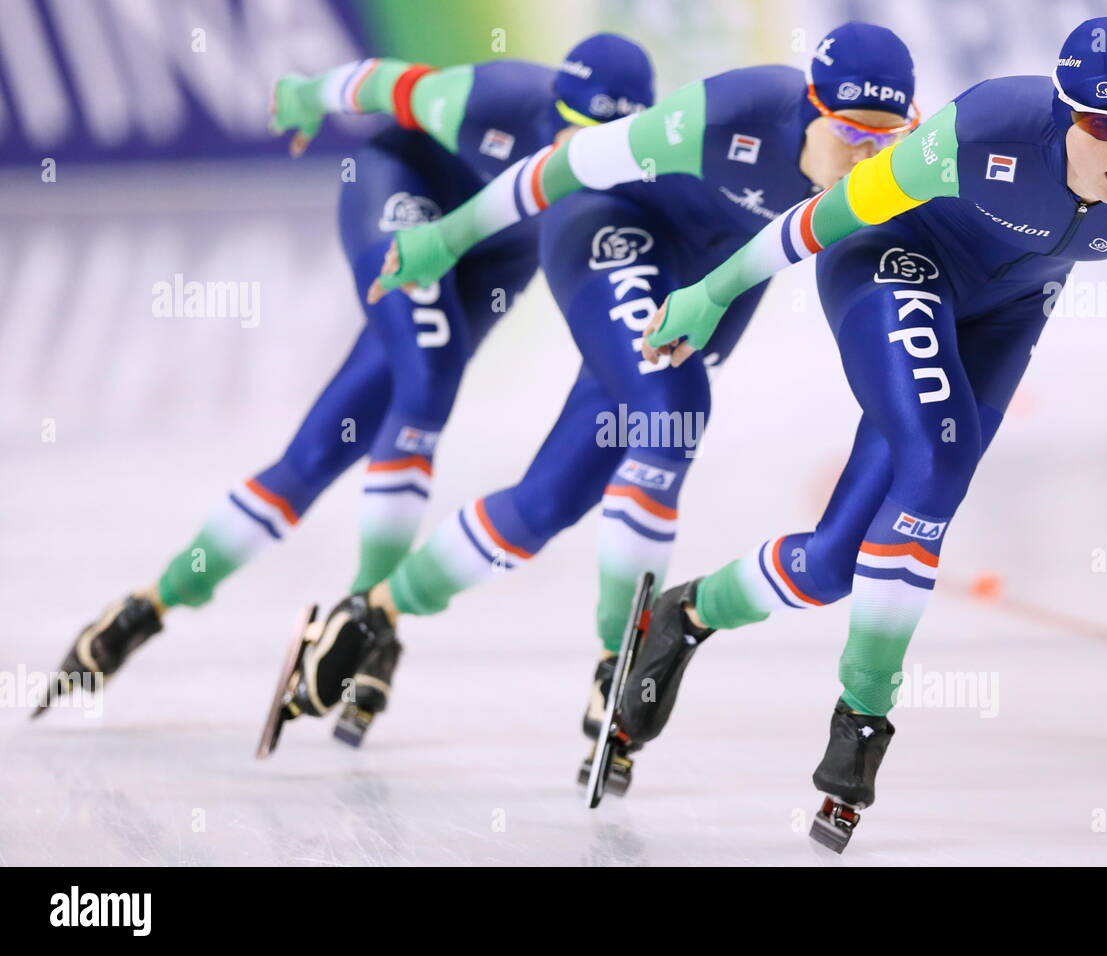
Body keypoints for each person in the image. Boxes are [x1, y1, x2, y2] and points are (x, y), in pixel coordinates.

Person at [626, 16, 1107, 842]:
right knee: (939, 457)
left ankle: (686, 613)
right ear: (1067, 113)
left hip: (1010, 313)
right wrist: (709, 293)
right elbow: (827, 217)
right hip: (892, 262)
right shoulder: (981, 130)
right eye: (1104, 124)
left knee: (833, 565)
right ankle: (862, 723)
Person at [270, 23, 922, 755]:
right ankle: (623, 657)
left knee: (547, 503)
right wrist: (447, 239)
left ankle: (371, 613)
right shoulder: (722, 115)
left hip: (711, 280)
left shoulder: (896, 165)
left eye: (888, 139)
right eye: (852, 135)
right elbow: (558, 168)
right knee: (674, 415)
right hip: (610, 228)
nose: (869, 158)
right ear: (811, 106)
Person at [37, 35, 656, 748]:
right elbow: (381, 80)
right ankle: (366, 620)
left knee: (321, 451)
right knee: (426, 380)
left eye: (605, 142)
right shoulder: (492, 98)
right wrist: (302, 98)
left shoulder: (640, 154)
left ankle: (143, 609)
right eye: (575, 134)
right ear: (554, 111)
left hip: (497, 249)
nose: (586, 155)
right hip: (401, 190)